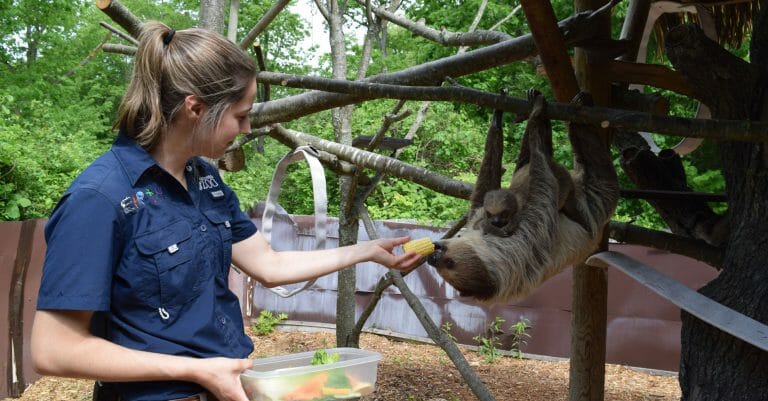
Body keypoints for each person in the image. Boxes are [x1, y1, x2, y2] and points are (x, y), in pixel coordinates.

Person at [30, 21, 423, 401]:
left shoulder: (203, 179)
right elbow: (54, 350)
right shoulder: (99, 198)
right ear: (195, 109)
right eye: (240, 115)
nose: (248, 128)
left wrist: (370, 252)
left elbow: (270, 266)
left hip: (224, 386)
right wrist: (195, 370)